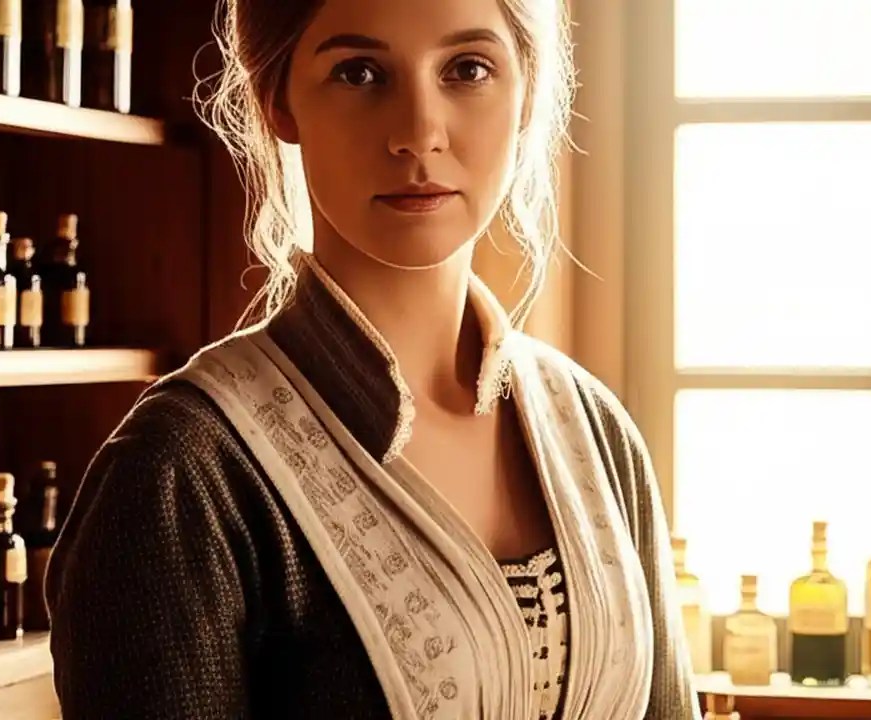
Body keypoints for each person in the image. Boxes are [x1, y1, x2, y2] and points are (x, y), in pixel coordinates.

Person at [45, 0, 699, 717]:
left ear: (527, 93)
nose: (419, 133)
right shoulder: (180, 475)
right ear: (276, 102)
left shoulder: (596, 433)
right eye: (360, 73)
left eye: (468, 69)